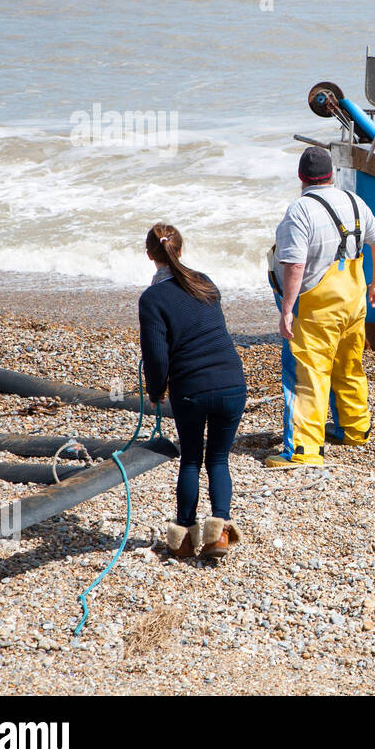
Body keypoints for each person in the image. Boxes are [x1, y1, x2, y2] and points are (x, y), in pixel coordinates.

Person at [266, 146, 375, 469]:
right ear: (332, 175)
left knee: (308, 372)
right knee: (349, 364)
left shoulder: (300, 211)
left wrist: (287, 309)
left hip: (317, 308)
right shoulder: (354, 201)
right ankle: (355, 428)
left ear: (301, 177)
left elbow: (294, 265)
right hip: (353, 298)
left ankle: (304, 450)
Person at [138, 224, 248, 560]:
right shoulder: (205, 282)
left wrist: (155, 391)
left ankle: (184, 538)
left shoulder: (152, 298)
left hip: (192, 389)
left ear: (149, 256)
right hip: (232, 381)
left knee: (190, 460)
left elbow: (156, 356)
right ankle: (220, 535)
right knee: (218, 458)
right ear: (181, 251)